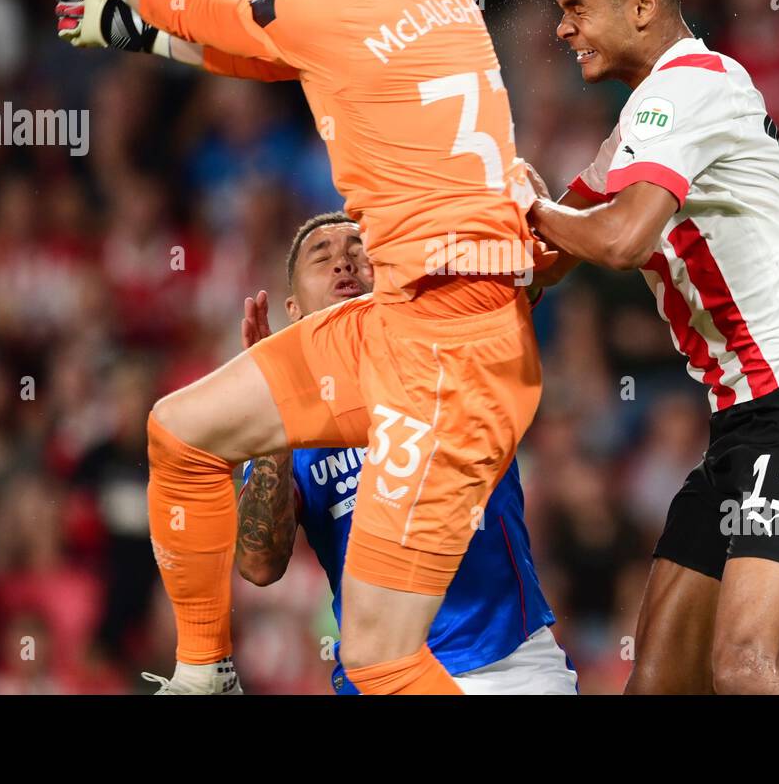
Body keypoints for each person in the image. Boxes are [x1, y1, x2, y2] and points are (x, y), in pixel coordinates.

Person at [55, 0, 544, 694]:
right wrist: (140, 37)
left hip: (445, 351)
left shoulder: (338, 8)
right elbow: (277, 51)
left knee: (379, 658)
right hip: (411, 321)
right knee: (182, 431)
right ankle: (204, 674)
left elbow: (217, 11)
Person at [527, 0, 779, 695]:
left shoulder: (689, 86)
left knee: (750, 673)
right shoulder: (644, 119)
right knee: (658, 684)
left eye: (577, 8)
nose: (562, 28)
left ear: (644, 5)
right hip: (746, 428)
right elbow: (556, 249)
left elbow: (618, 239)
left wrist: (528, 208)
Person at [222, 212, 575, 694]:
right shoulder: (289, 428)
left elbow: (529, 275)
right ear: (293, 309)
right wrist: (274, 418)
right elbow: (259, 566)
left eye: (358, 252)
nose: (343, 263)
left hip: (506, 665)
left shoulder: (449, 344)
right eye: (321, 258)